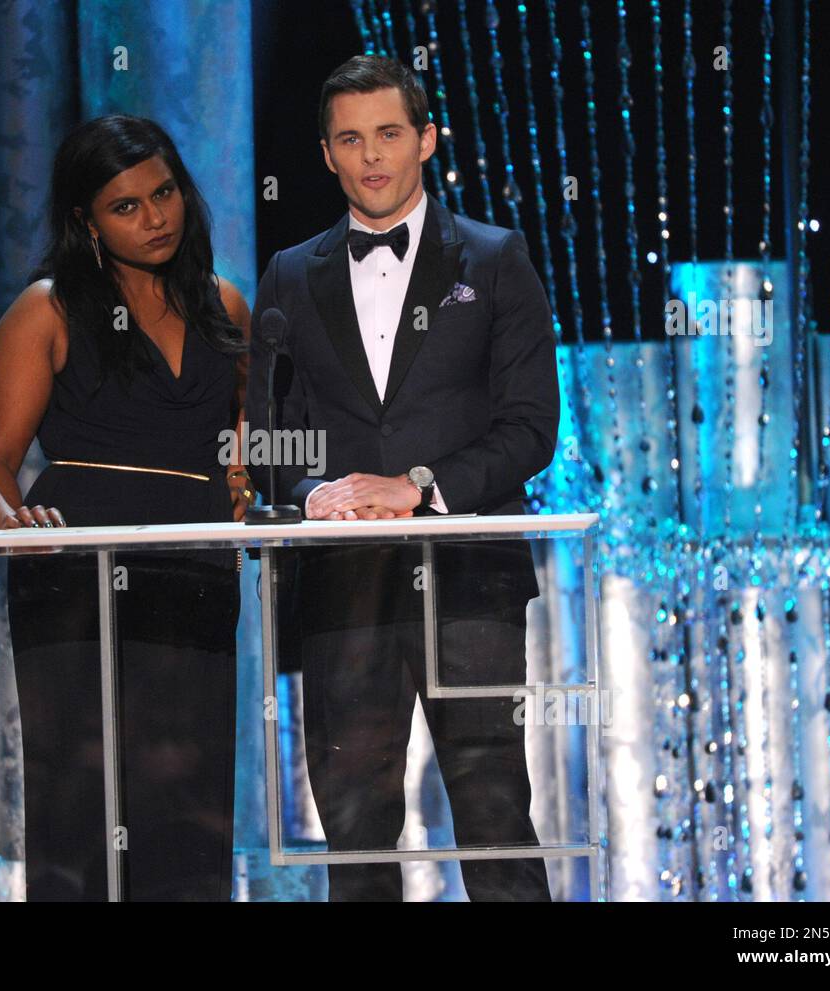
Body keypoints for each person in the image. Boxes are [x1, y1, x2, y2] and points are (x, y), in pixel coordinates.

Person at [248, 56, 560, 901]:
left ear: (426, 139)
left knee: (493, 808)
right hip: (342, 581)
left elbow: (532, 426)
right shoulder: (288, 273)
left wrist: (418, 483)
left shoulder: (495, 259)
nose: (372, 156)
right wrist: (311, 493)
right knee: (352, 822)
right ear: (326, 155)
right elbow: (266, 434)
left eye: (389, 133)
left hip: (468, 571)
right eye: (351, 139)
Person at [0, 114, 252, 901]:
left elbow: (241, 430)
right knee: (81, 792)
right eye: (127, 206)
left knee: (191, 790)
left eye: (164, 194)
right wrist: (10, 524)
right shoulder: (47, 309)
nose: (155, 217)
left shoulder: (225, 301)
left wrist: (240, 480)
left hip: (193, 568)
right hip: (75, 574)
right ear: (84, 221)